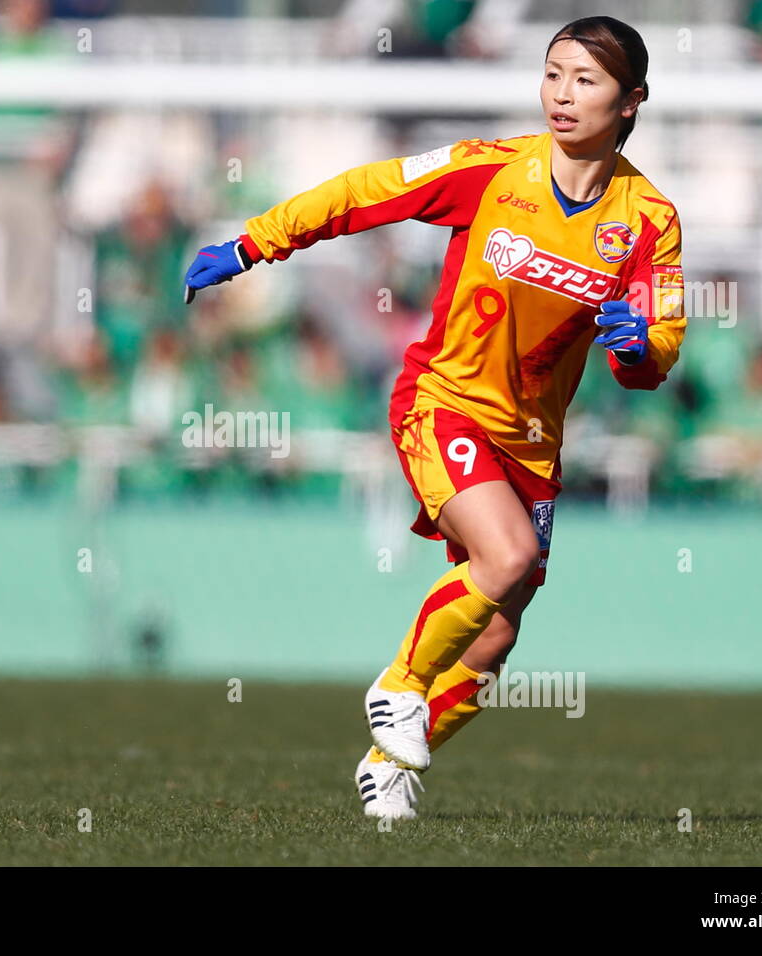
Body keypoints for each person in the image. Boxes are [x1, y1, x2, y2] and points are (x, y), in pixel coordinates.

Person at [182, 16, 687, 820]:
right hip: (439, 401)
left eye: (586, 80)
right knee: (509, 553)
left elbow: (657, 353)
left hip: (532, 443)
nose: (562, 94)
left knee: (494, 640)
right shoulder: (490, 170)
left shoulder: (648, 220)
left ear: (632, 101)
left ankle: (387, 767)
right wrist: (254, 242)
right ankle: (399, 687)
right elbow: (365, 191)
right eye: (553, 73)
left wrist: (638, 347)